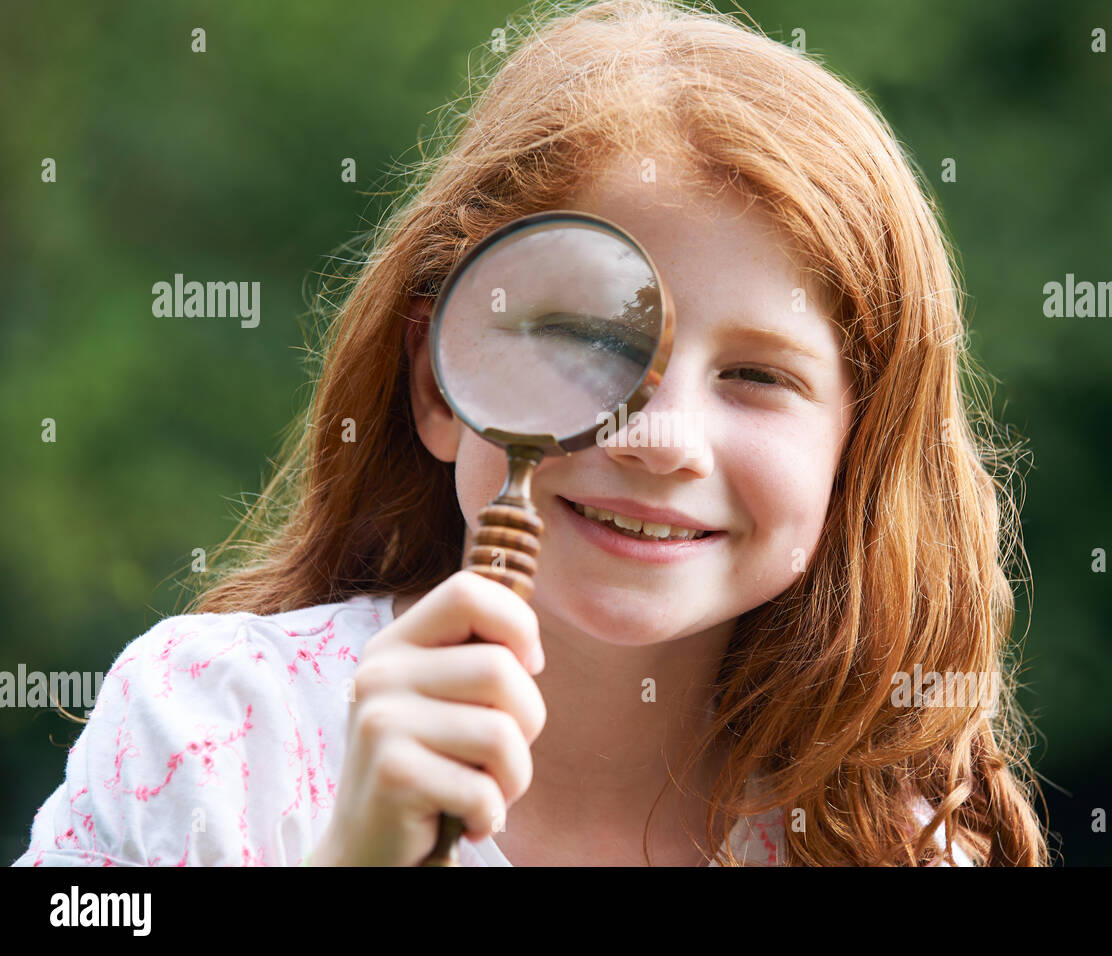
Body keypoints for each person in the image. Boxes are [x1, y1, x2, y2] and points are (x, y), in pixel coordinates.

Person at [12, 0, 1047, 867]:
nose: (661, 437)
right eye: (583, 339)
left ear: (855, 451)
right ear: (436, 381)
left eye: (756, 376)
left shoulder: (891, 841)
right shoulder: (214, 733)